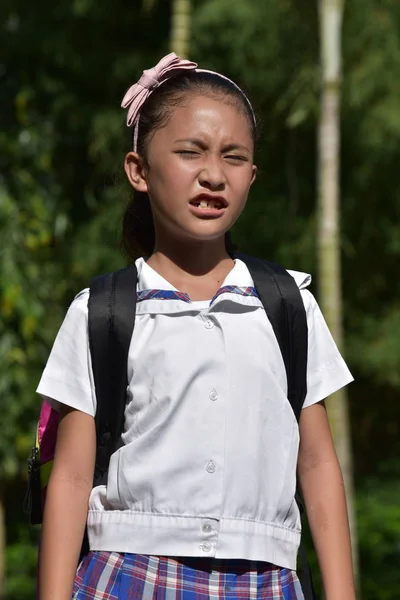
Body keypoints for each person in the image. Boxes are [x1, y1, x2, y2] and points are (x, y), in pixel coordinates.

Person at [37, 53, 356, 600]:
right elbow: (69, 478)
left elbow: (319, 462)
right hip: (127, 575)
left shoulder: (288, 306)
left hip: (266, 581)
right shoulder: (101, 311)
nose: (213, 174)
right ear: (138, 170)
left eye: (234, 157)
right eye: (190, 152)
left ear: (251, 177)